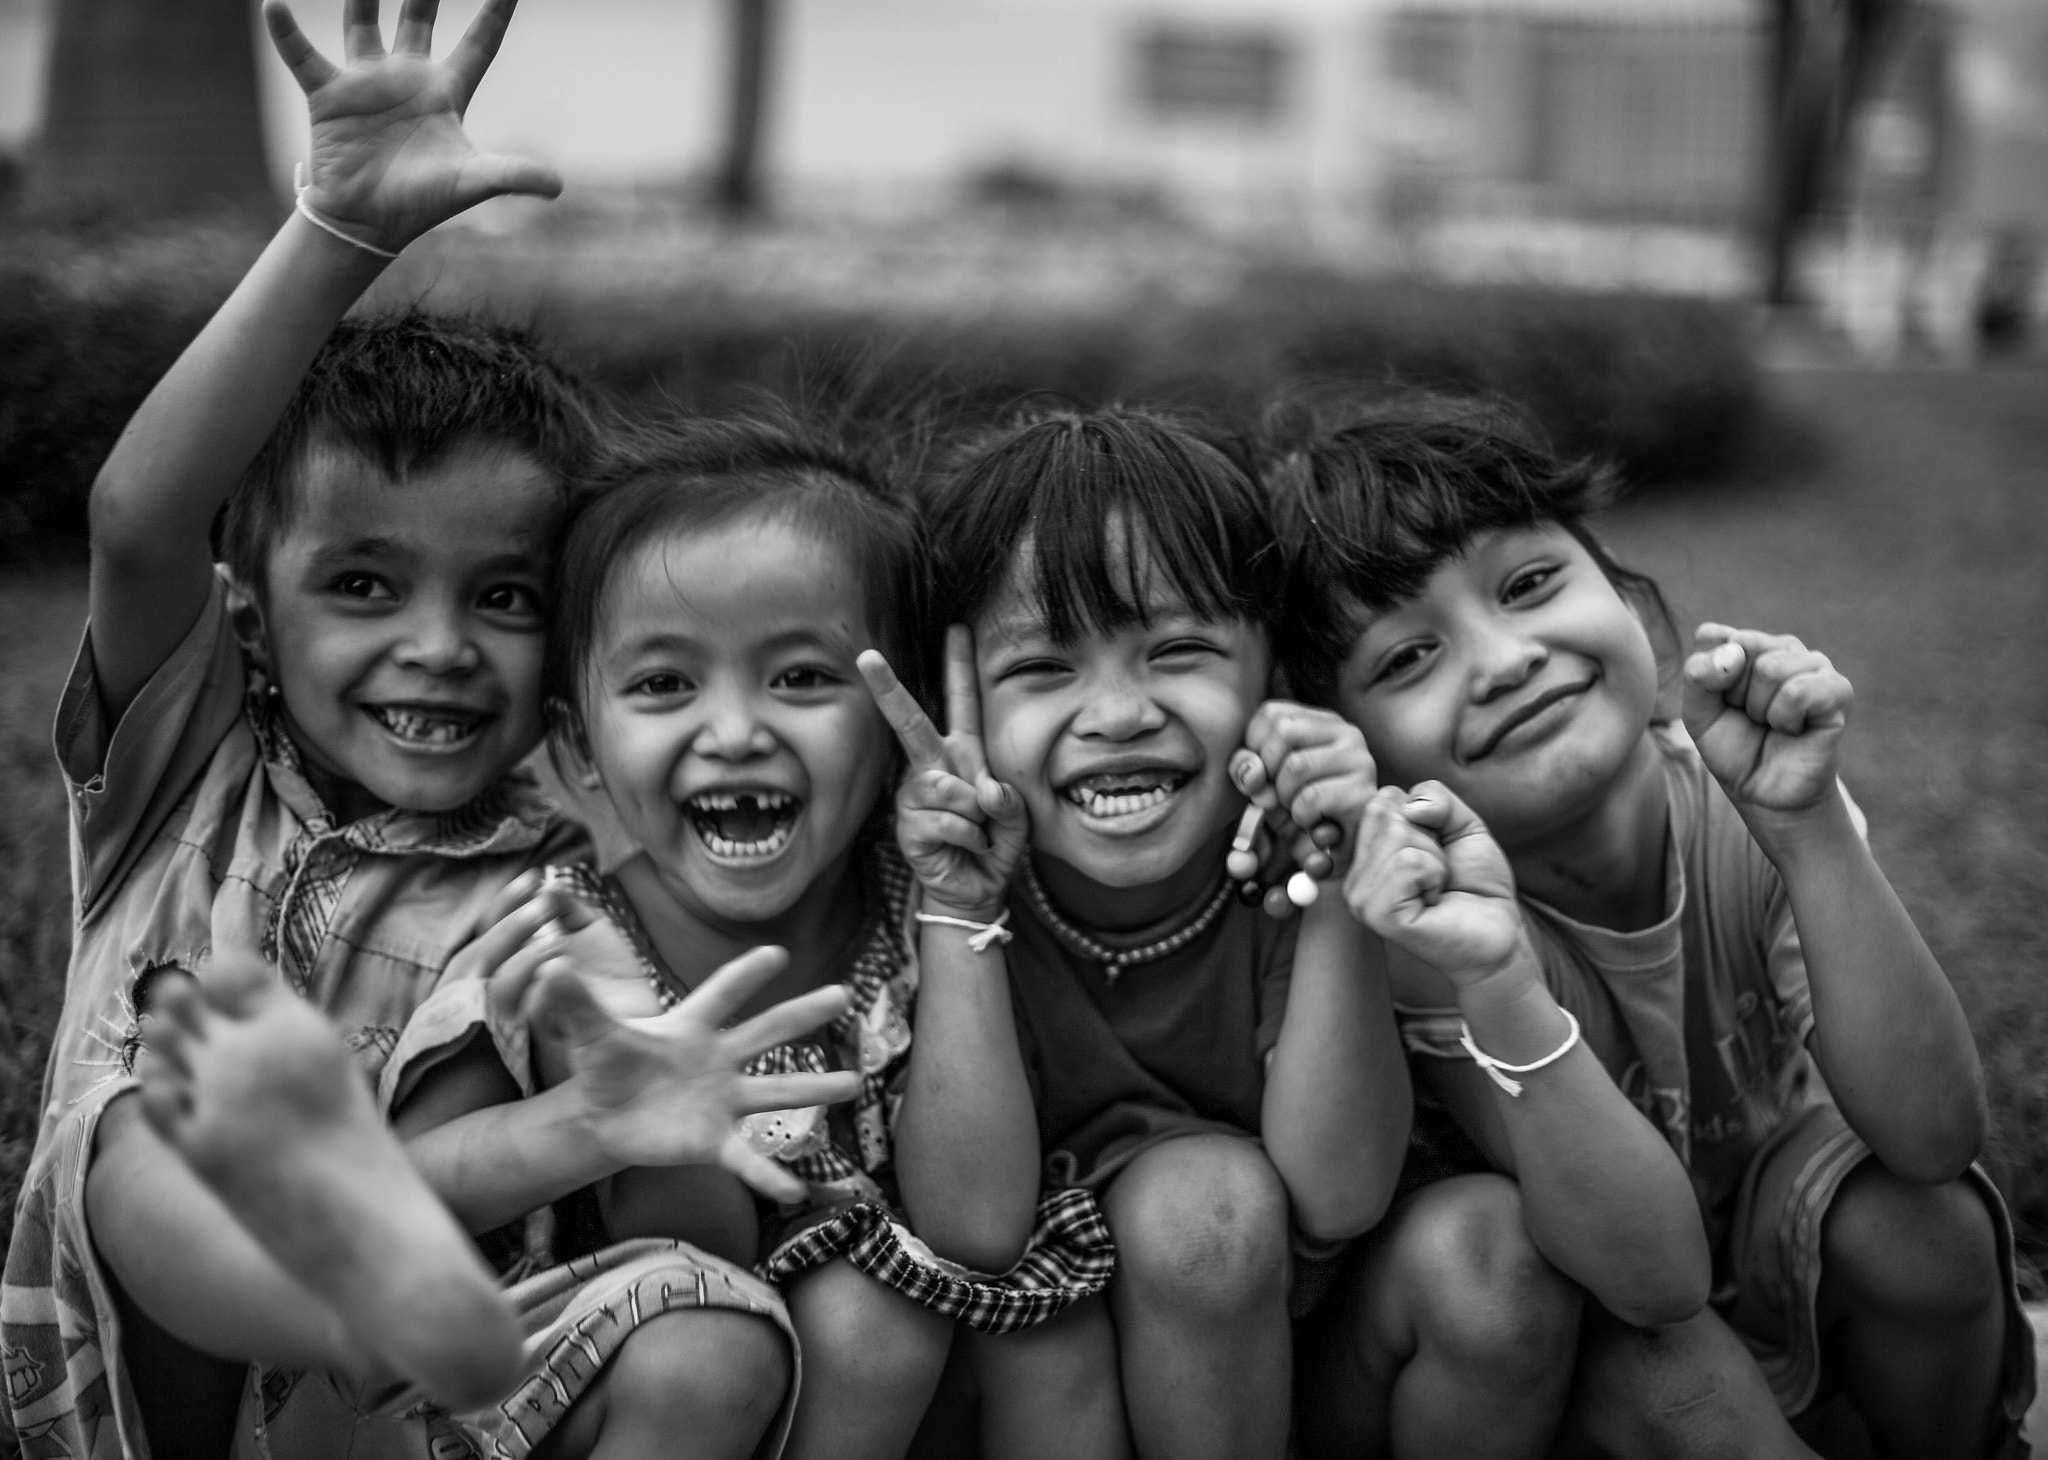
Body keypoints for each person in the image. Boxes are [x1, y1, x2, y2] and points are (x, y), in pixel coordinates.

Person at [0, 3, 848, 1455]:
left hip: (433, 1404)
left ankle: (364, 1267)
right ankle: (331, 1281)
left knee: (711, 1334)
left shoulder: (564, 878)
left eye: (505, 594)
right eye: (364, 584)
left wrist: (624, 1098)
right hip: (167, 1388)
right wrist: (337, 229)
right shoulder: (188, 765)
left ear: (569, 636)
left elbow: (692, 1214)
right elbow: (140, 520)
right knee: (143, 1127)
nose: (440, 647)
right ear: (251, 623)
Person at [1268, 397, 2034, 1459]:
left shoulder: (1743, 798)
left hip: (1762, 1235)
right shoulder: (1422, 921)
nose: (1501, 659)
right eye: (1406, 657)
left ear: (1620, 588)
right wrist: (1496, 976)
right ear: (1360, 753)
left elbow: (1933, 1134)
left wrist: (1809, 829)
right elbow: (1651, 1281)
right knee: (1677, 1381)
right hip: (1582, 1309)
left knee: (1924, 1226)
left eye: (1528, 583)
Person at [392, 417, 1115, 1460]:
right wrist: (601, 1114)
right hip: (616, 1393)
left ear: (891, 725)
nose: (734, 731)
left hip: (867, 1366)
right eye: (663, 685)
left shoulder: (920, 911)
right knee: (844, 1321)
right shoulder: (561, 950)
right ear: (579, 750)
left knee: (1030, 1325)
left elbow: (978, 1228)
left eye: (800, 678)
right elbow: (403, 1196)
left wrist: (958, 909)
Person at [849, 406, 1408, 1460]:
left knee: (1211, 1207)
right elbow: (973, 1229)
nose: (1114, 713)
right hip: (1015, 1361)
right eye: (1042, 668)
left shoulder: (1295, 863)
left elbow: (1336, 1195)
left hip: (1276, 1316)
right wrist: (960, 906)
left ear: (1273, 677)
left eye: (1179, 648)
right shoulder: (928, 877)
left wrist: (1335, 879)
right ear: (955, 695)